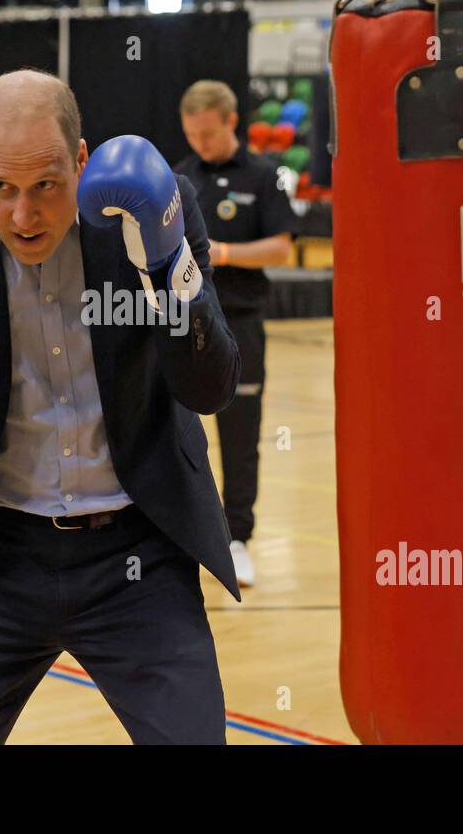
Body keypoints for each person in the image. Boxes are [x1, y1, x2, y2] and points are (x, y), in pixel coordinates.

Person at [0, 69, 241, 744]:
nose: (22, 214)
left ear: (82, 160)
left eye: (46, 185)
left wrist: (169, 276)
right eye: (1, 187)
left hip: (138, 558)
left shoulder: (151, 206)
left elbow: (209, 389)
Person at [173, 80, 297, 587]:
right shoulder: (180, 177)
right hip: (184, 322)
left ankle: (238, 538)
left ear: (230, 122)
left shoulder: (265, 176)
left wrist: (221, 253)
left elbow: (280, 249)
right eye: (192, 135)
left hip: (241, 321)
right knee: (176, 429)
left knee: (241, 435)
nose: (201, 144)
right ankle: (180, 533)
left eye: (208, 133)